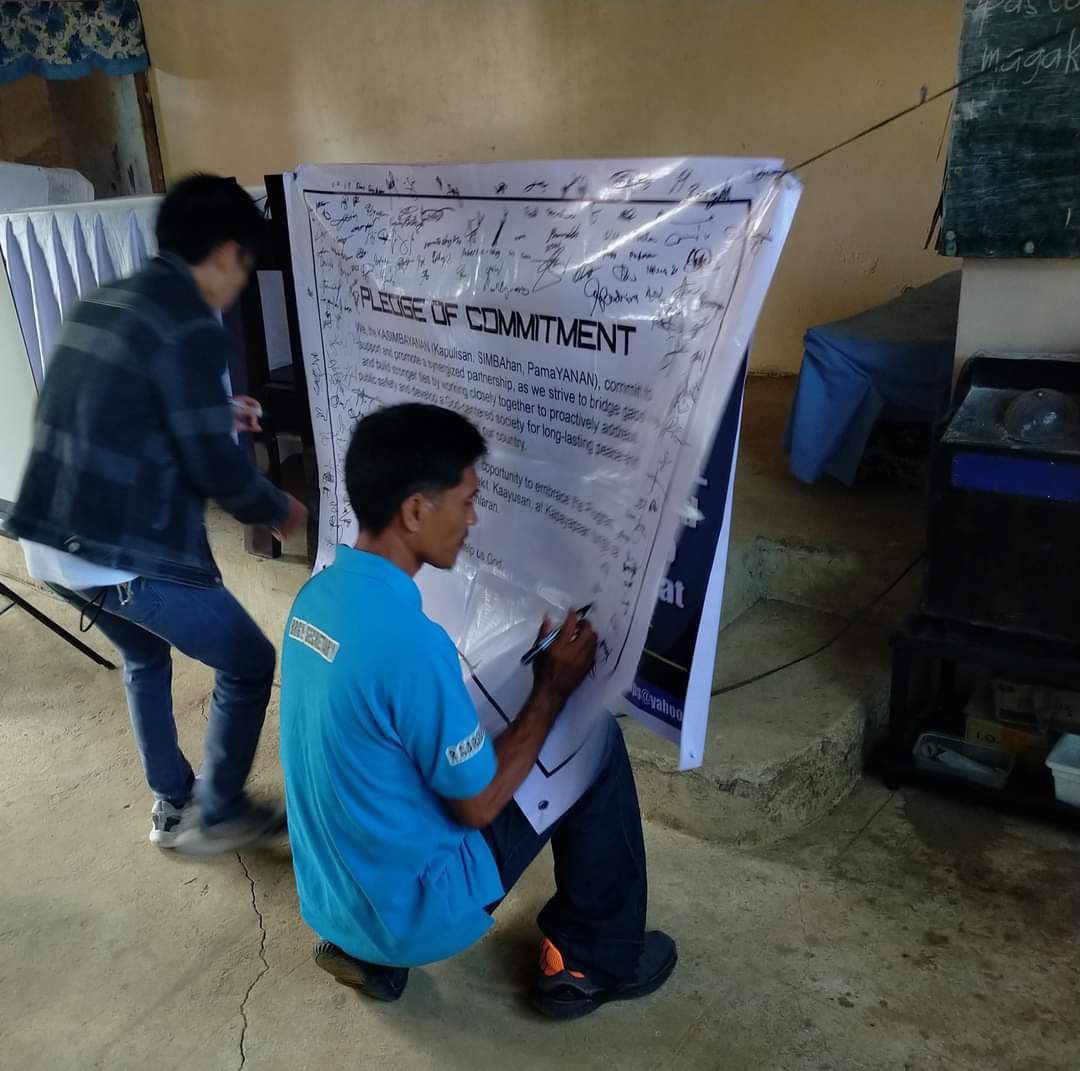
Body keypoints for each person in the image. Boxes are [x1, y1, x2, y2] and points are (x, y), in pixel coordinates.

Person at [279, 403, 675, 1020]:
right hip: (413, 913)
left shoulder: (318, 595)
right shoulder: (409, 645)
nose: (472, 519)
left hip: (334, 899)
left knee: (481, 723)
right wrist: (551, 691)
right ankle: (591, 960)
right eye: (464, 502)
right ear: (415, 510)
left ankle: (365, 951)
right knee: (589, 736)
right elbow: (478, 804)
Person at [4, 174, 307, 855]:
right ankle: (220, 810)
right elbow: (215, 467)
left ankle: (173, 804)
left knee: (145, 656)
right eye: (245, 268)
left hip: (44, 540)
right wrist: (276, 504)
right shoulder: (189, 320)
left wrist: (217, 410)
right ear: (228, 254)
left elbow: (113, 402)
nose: (238, 287)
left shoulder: (108, 300)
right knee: (250, 660)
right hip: (112, 547)